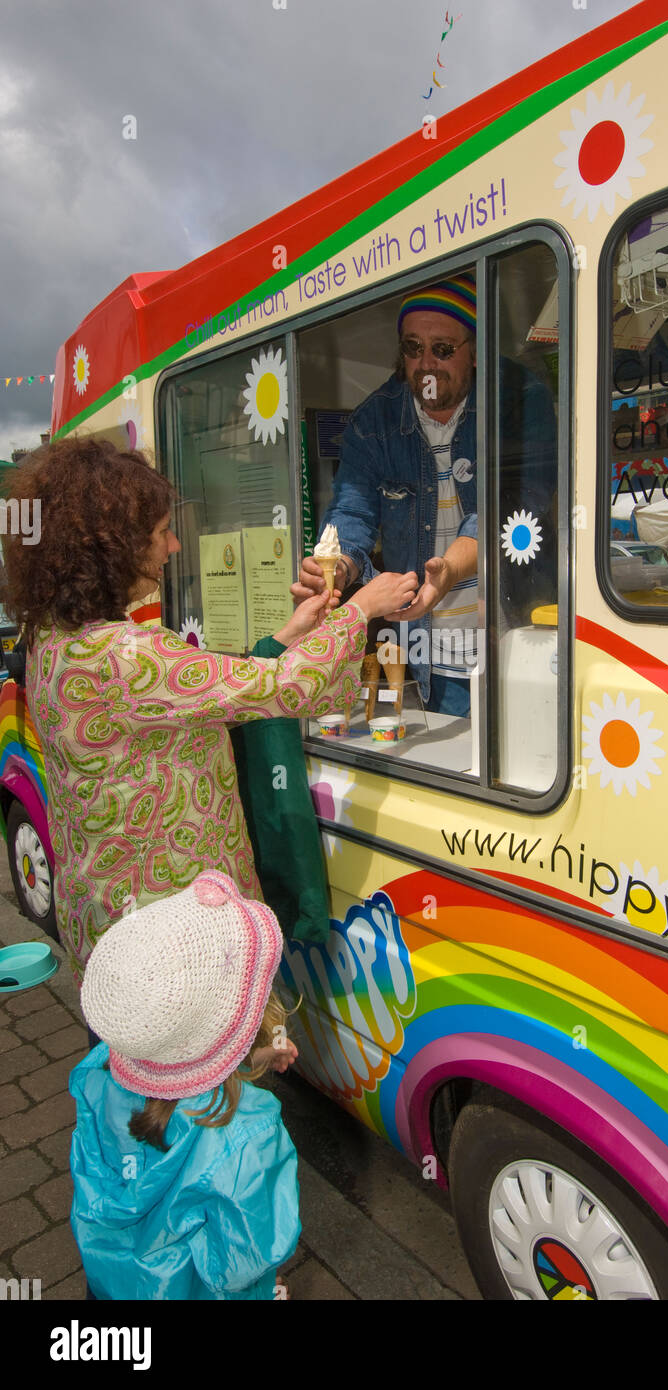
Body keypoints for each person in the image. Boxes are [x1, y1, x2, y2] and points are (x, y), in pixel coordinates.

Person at [0, 436, 416, 986]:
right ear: (112, 547)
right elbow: (286, 688)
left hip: (110, 921)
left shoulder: (53, 639)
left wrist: (291, 632)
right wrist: (361, 609)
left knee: (140, 1073)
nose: (173, 546)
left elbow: (201, 694)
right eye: (161, 532)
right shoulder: (126, 656)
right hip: (173, 941)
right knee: (194, 1072)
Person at [292, 273, 558, 716]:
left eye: (443, 349)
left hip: (517, 648)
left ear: (475, 351)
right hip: (430, 660)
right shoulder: (373, 421)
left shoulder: (517, 398)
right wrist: (336, 565)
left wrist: (449, 569)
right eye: (413, 348)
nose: (426, 364)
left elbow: (515, 506)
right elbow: (352, 511)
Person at [69, 870, 301, 1301]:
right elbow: (248, 1254)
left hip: (119, 1281)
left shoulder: (95, 1079)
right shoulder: (248, 1134)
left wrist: (254, 1055)